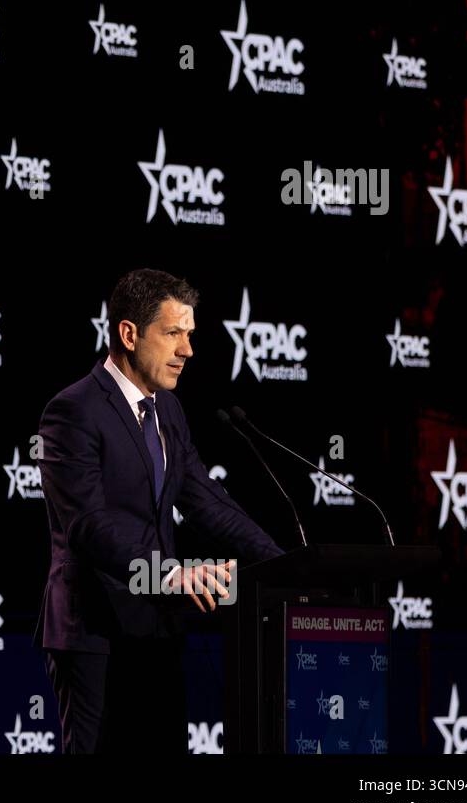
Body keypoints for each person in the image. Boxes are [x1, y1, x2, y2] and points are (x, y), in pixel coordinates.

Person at [33, 268, 283, 754]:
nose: (187, 350)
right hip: (95, 632)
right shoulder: (72, 411)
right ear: (129, 333)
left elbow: (206, 501)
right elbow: (87, 527)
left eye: (188, 335)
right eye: (173, 334)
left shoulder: (168, 410)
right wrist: (169, 574)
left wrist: (283, 565)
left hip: (157, 630)